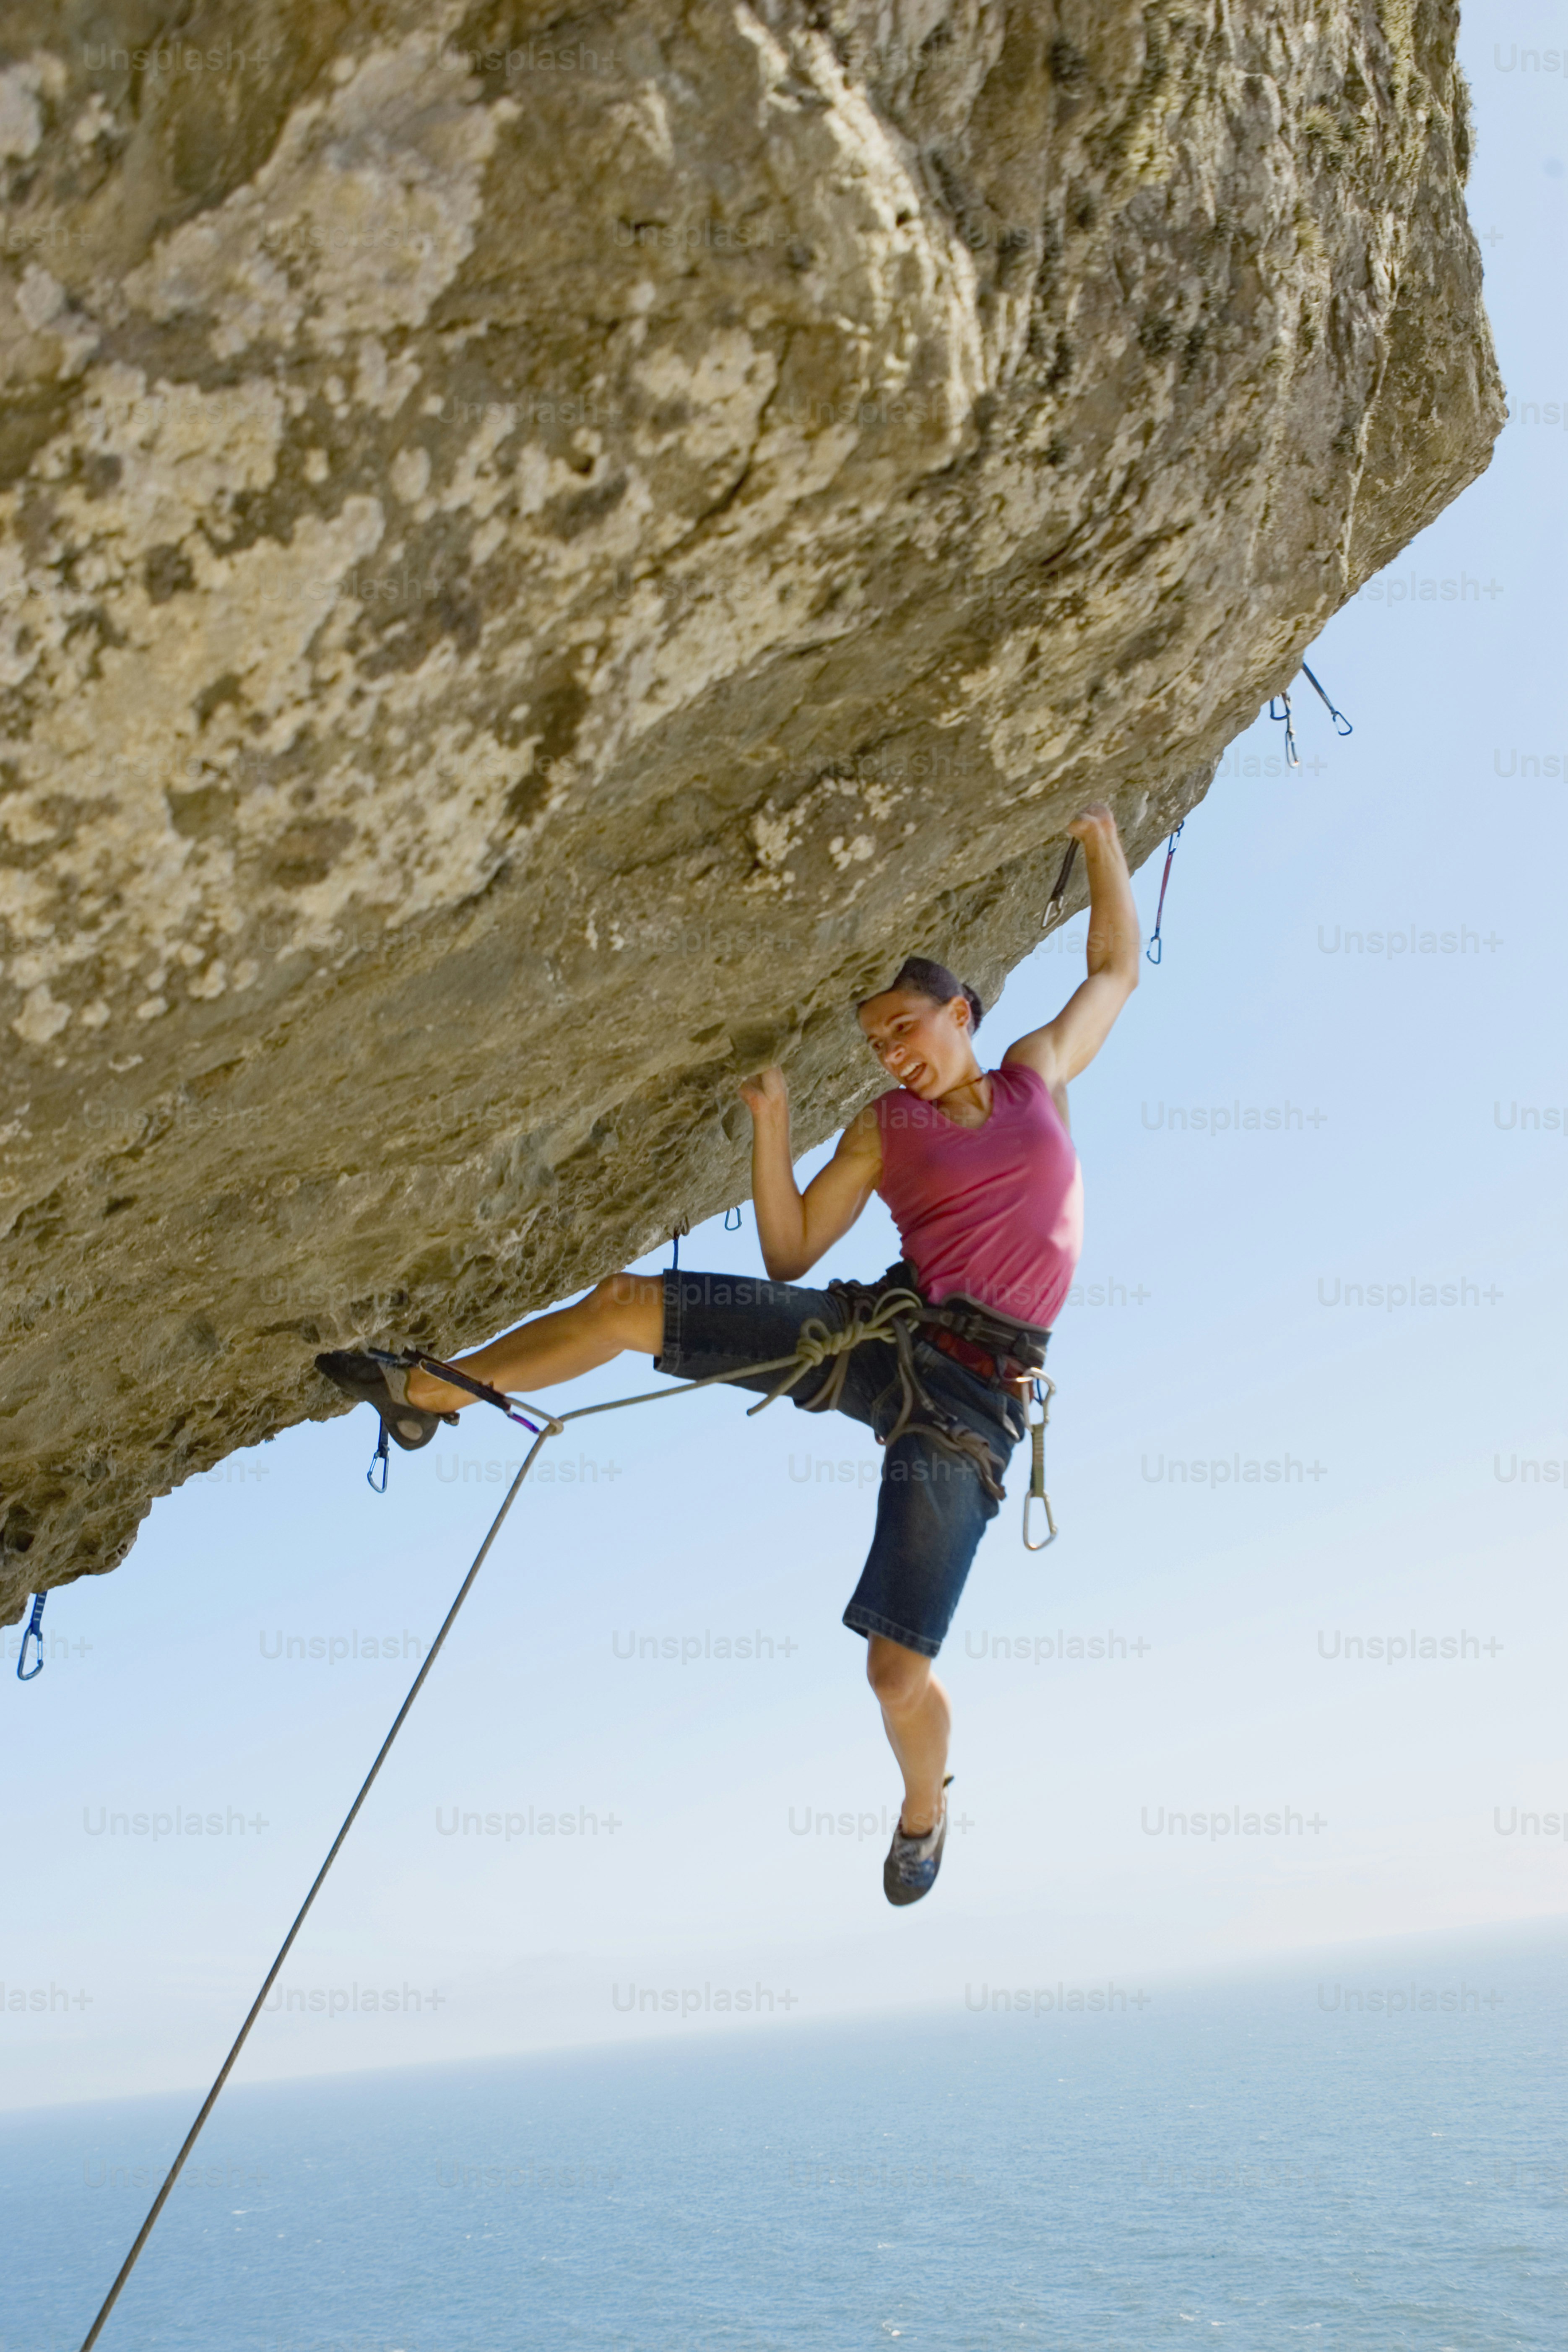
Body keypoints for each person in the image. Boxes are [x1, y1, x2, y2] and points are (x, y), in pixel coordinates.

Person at [318, 804, 1141, 1903]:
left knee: (894, 1671)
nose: (892, 1052)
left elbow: (1114, 969)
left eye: (904, 1026)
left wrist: (1099, 840)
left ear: (962, 1010)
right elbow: (792, 1245)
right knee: (624, 1304)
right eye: (876, 1042)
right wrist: (770, 1119)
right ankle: (423, 1392)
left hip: (973, 1401)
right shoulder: (879, 1130)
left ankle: (923, 1805)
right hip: (881, 1336)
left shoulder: (1039, 1073)